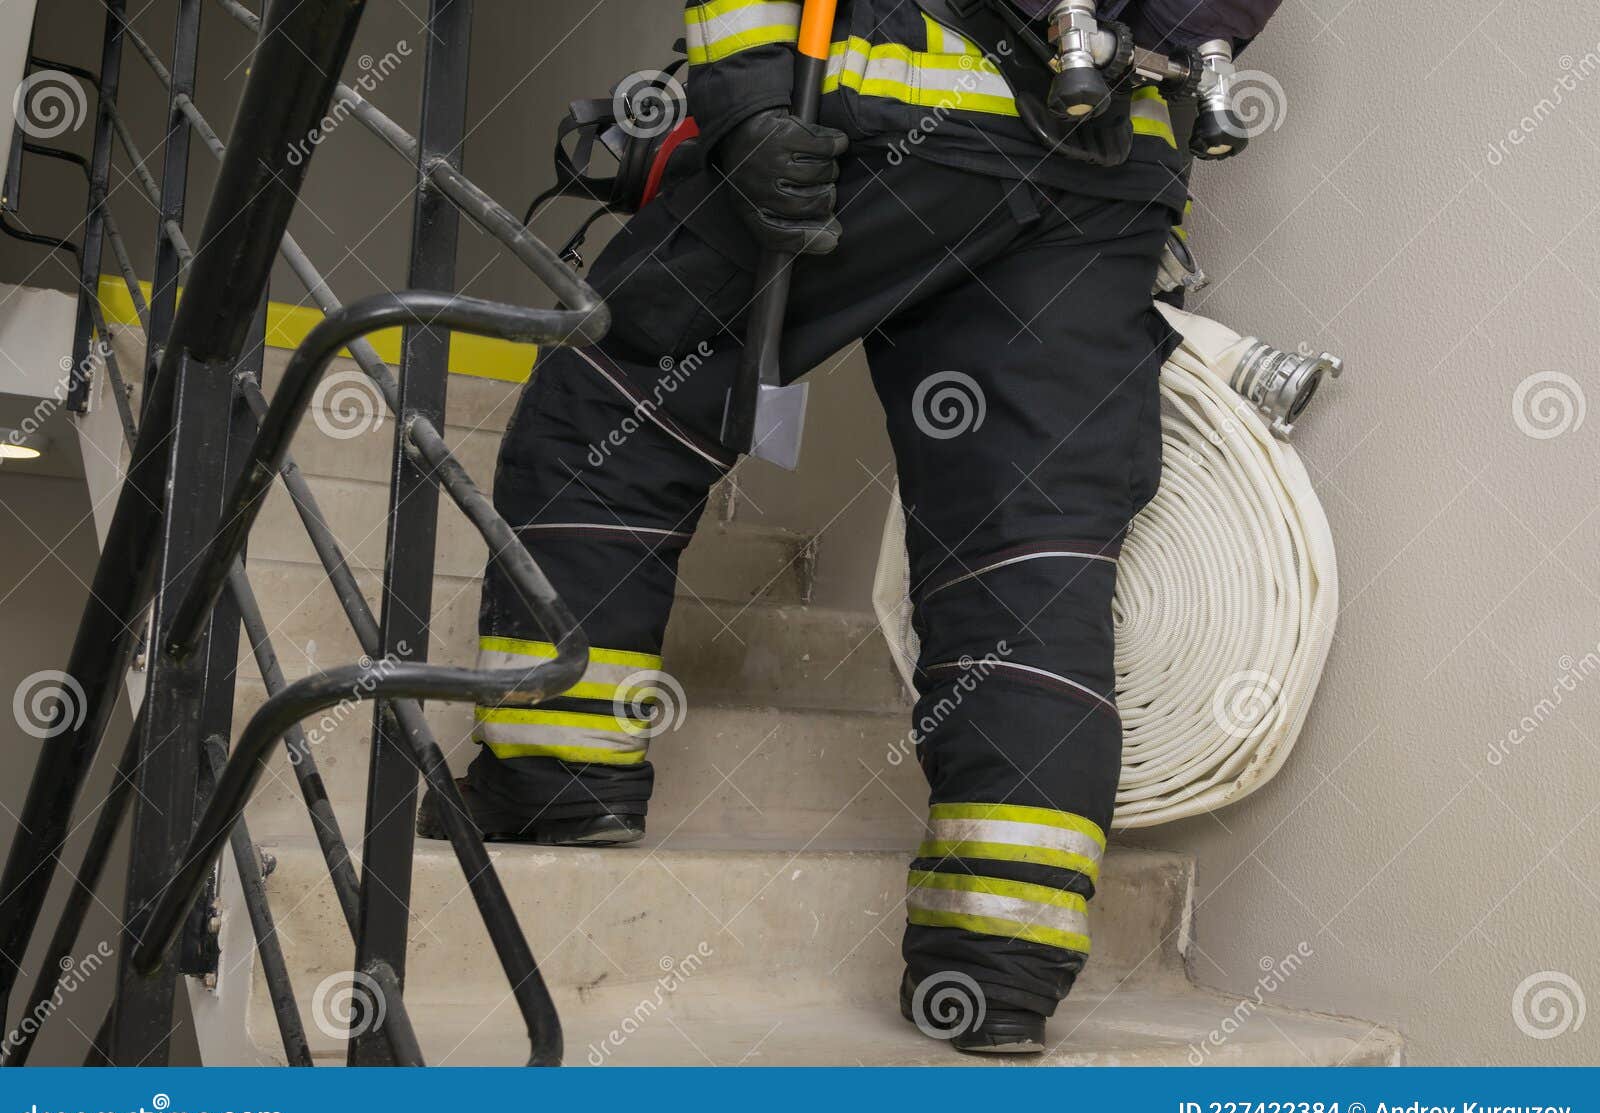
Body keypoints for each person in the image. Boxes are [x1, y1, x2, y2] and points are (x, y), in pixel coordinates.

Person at [420, 0, 1283, 1054]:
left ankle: (556, 775)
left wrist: (740, 103)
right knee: (1029, 553)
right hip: (1108, 161)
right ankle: (994, 970)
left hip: (887, 108)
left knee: (617, 402)